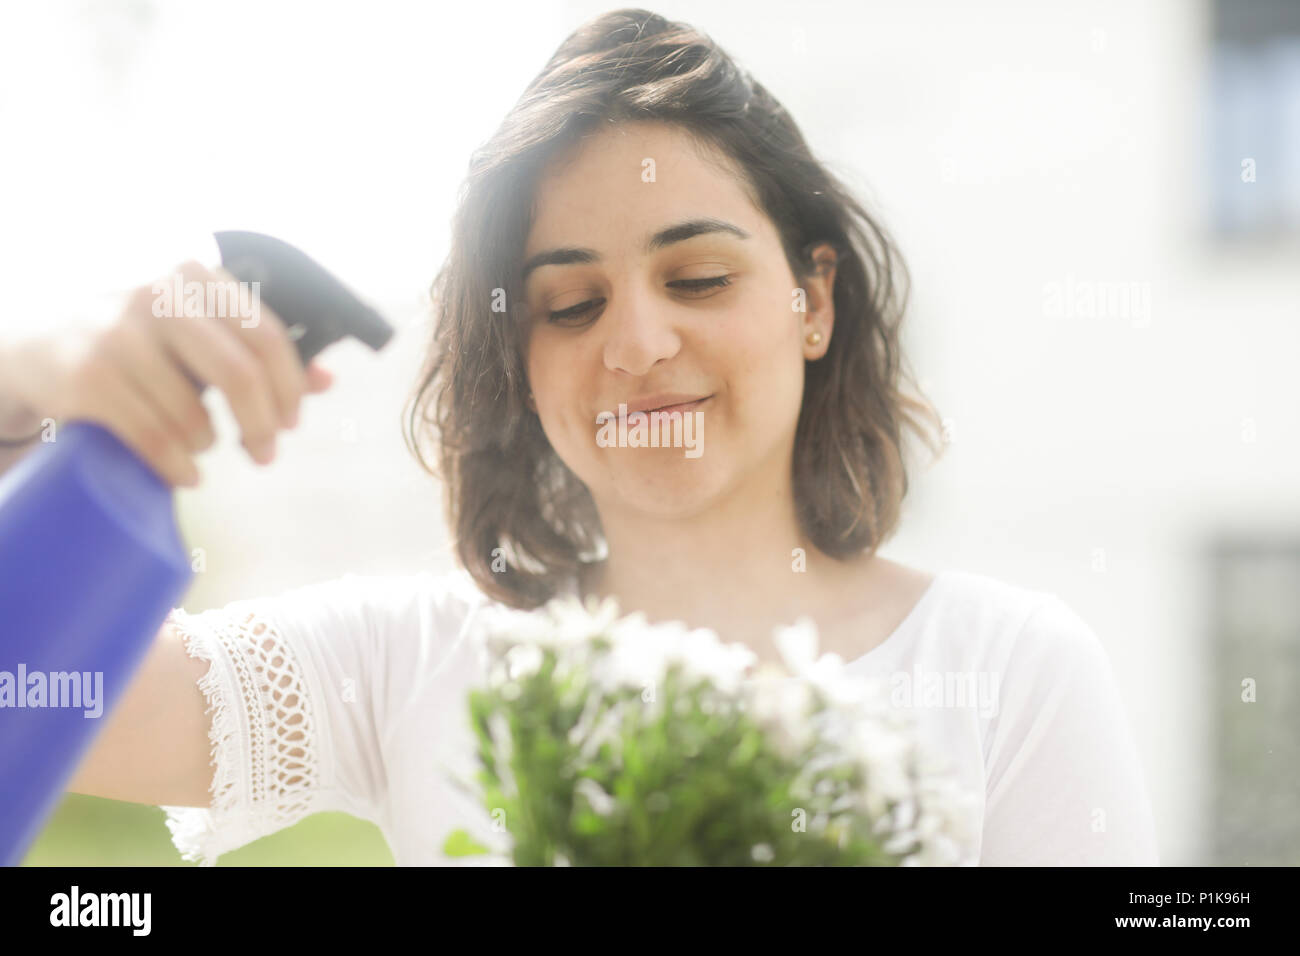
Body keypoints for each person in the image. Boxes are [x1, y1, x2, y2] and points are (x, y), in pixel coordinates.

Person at [0, 8, 1158, 866]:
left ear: (814, 299)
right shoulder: (409, 658)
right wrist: (30, 383)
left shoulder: (1012, 671)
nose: (638, 341)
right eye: (570, 302)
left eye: (697, 276)